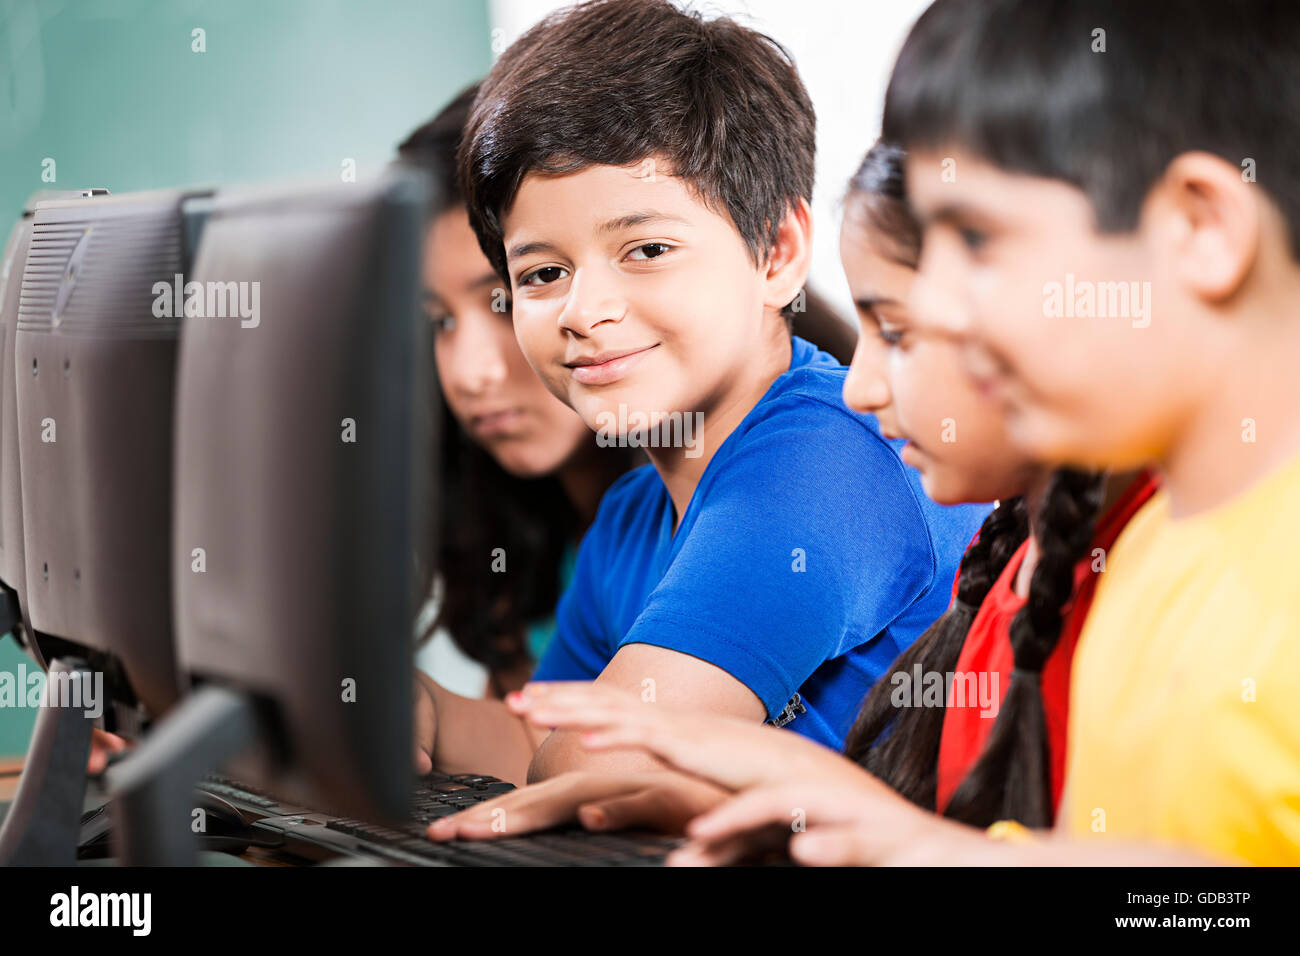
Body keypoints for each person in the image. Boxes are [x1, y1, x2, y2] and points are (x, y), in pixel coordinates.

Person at [437, 0, 1300, 866]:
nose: (942, 307)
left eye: (978, 240)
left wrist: (919, 850)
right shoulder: (1142, 566)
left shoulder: (1239, 571)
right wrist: (858, 827)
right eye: (543, 273)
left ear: (1201, 227)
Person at [412, 0, 989, 786]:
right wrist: (418, 713)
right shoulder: (628, 518)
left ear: (778, 254)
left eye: (646, 249)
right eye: (544, 273)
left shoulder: (825, 465)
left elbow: (594, 764)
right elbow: (537, 744)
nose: (584, 311)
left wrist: (555, 756)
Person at [398, 85, 636, 698]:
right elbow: (527, 757)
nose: (470, 374)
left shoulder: (754, 496)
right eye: (437, 322)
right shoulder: (514, 524)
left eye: (506, 301)